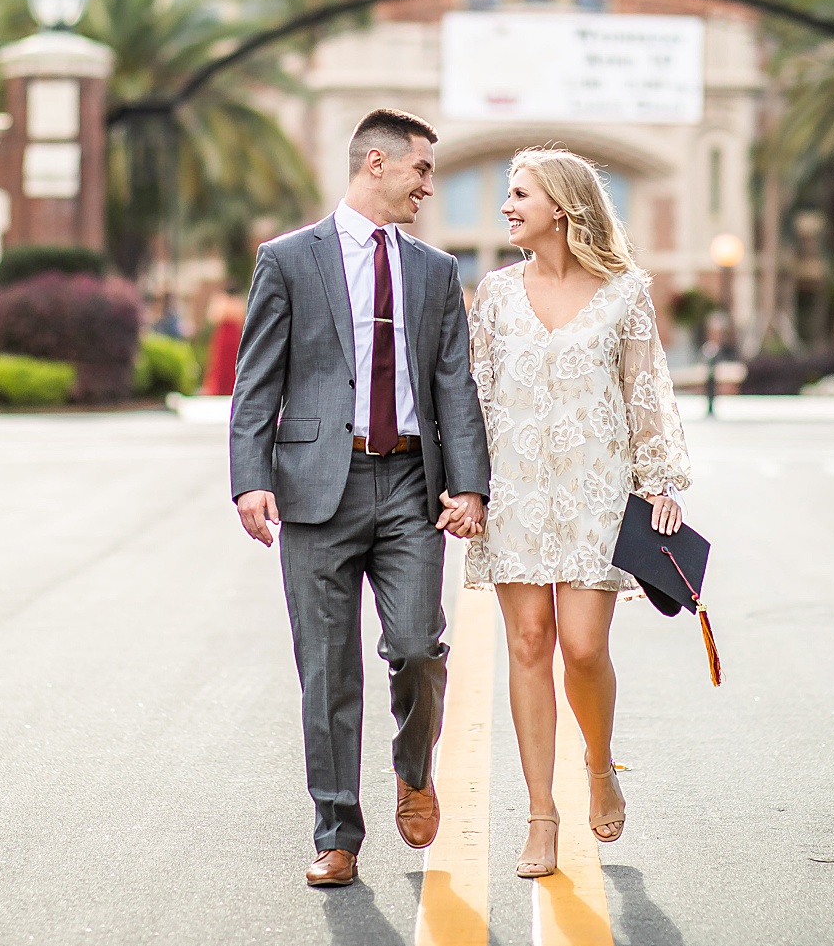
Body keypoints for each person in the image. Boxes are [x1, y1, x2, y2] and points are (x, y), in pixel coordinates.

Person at [230, 108, 492, 889]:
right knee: (327, 668)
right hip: (316, 488)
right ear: (375, 162)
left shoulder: (436, 272)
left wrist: (470, 484)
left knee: (417, 646)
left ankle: (415, 768)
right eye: (420, 170)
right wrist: (250, 476)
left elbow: (455, 382)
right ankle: (337, 830)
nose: (428, 186)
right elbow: (257, 380)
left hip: (411, 485)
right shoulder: (286, 260)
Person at [463, 147, 692, 879]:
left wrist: (660, 482)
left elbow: (644, 390)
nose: (506, 205)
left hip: (598, 492)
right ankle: (540, 814)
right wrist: (464, 485)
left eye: (519, 193)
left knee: (584, 646)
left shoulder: (625, 293)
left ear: (561, 207)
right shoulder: (494, 295)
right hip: (517, 491)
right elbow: (473, 395)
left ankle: (598, 763)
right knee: (528, 642)